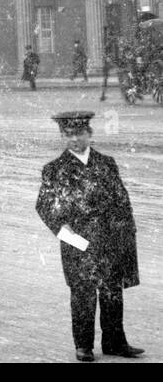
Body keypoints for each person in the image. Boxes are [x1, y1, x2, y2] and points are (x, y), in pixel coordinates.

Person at [36, 110, 144, 362]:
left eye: (80, 134)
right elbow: (44, 205)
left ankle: (115, 342)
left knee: (112, 292)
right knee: (83, 293)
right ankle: (83, 346)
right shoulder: (54, 169)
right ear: (63, 136)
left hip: (110, 239)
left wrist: (126, 234)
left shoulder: (107, 163)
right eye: (69, 135)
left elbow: (122, 201)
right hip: (79, 242)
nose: (75, 139)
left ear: (90, 134)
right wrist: (68, 235)